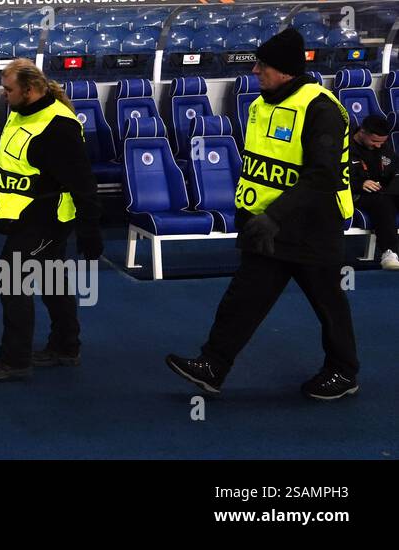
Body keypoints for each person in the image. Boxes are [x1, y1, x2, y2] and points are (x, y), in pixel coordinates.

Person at [167, 28, 361, 400]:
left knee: (328, 303)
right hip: (269, 226)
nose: (255, 71)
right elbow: (261, 167)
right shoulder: (261, 104)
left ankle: (343, 372)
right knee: (243, 298)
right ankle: (213, 364)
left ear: (285, 70)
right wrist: (252, 215)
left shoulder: (321, 108)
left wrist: (276, 216)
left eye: (263, 65)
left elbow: (322, 175)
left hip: (313, 226)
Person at [0, 59, 102, 381]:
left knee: (12, 281)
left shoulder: (59, 126)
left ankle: (14, 359)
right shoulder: (21, 112)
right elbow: (3, 156)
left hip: (46, 218)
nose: (4, 95)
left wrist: (90, 229)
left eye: (9, 89)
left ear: (30, 89)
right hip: (26, 215)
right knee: (52, 279)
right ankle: (66, 346)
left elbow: (84, 183)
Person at [348, 114, 399, 270]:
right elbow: (334, 176)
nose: (378, 146)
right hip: (356, 193)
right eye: (375, 141)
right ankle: (389, 251)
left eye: (382, 142)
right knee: (382, 203)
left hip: (383, 191)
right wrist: (359, 183)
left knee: (385, 199)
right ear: (362, 132)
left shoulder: (384, 146)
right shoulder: (344, 145)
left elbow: (393, 170)